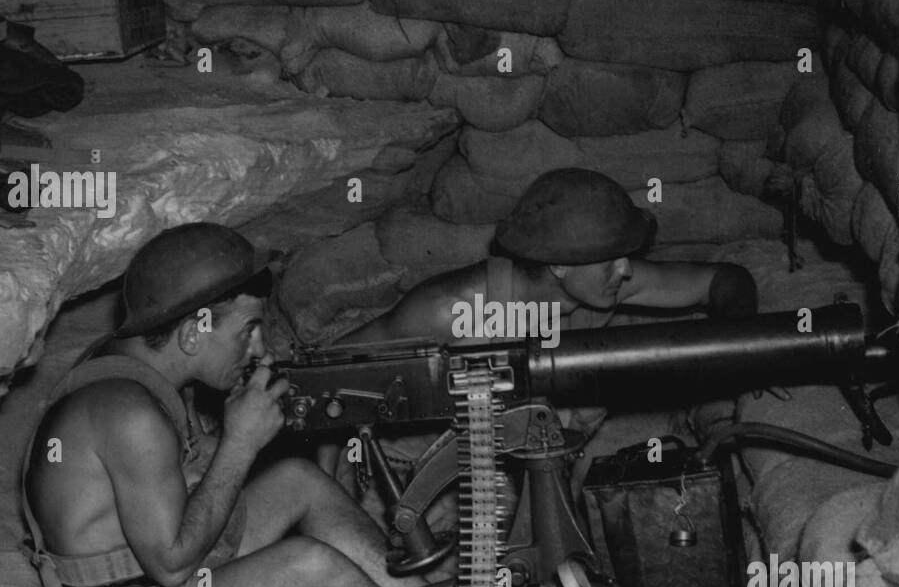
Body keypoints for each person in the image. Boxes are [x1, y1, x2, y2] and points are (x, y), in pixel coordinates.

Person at [22, 222, 438, 587]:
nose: (259, 349)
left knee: (294, 479)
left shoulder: (130, 368)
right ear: (193, 331)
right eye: (247, 331)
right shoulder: (129, 414)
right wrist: (241, 443)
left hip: (155, 574)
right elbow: (172, 565)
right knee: (306, 564)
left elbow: (187, 475)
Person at [323, 167, 759, 521]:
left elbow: (725, 280)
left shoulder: (603, 285)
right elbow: (324, 379)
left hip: (534, 478)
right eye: (612, 259)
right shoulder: (449, 310)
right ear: (558, 265)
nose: (626, 270)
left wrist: (745, 350)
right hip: (414, 488)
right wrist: (332, 505)